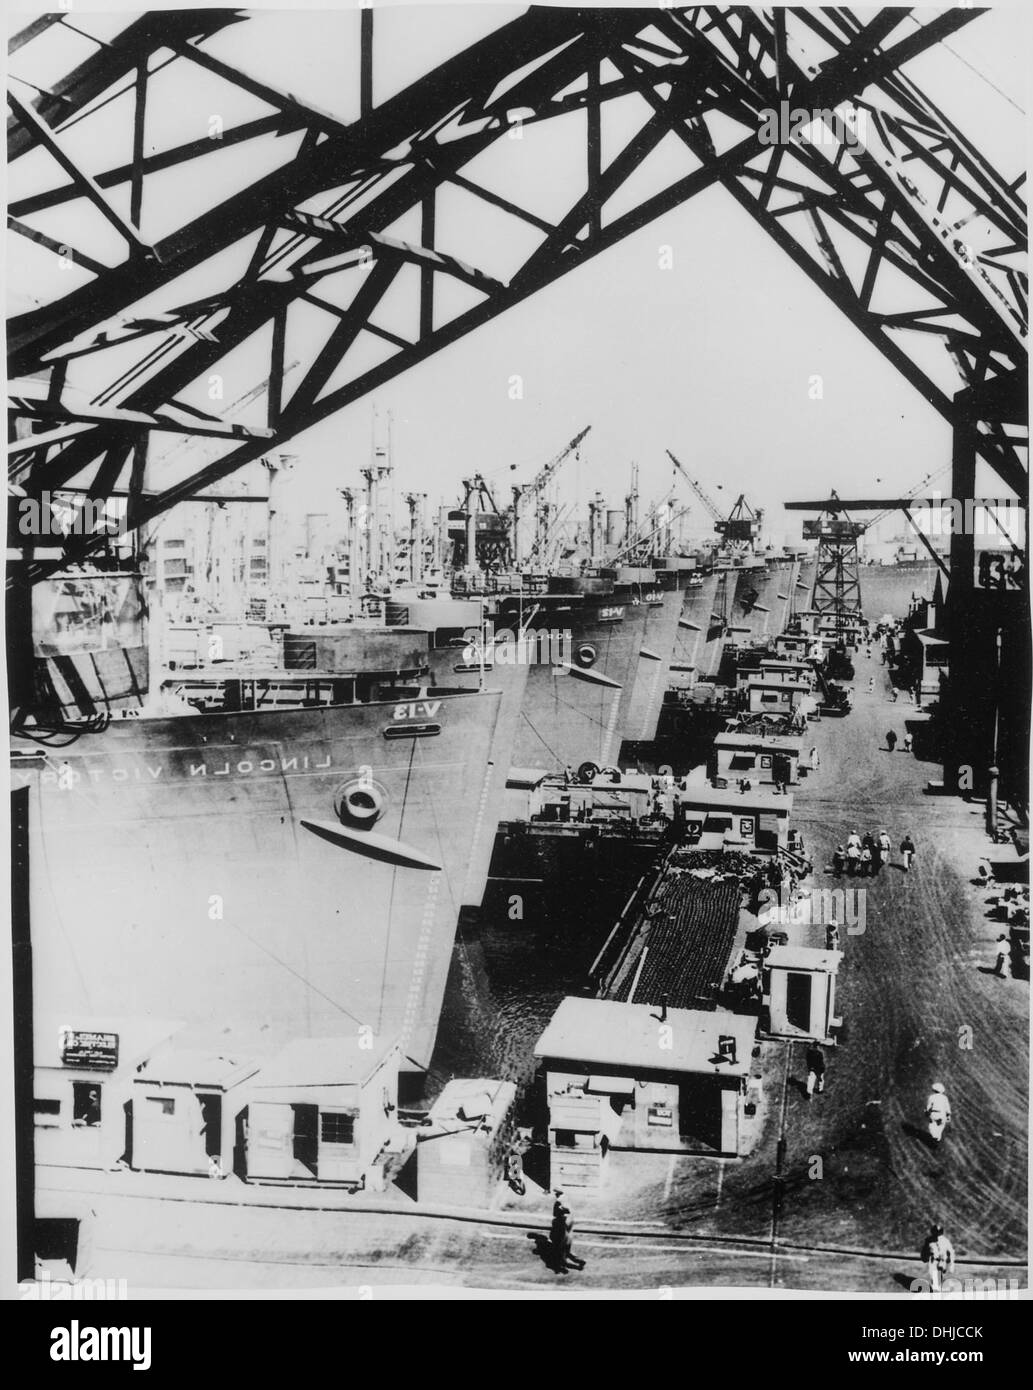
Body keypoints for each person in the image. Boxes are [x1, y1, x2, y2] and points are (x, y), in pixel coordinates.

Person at [921, 1222, 955, 1293]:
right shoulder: (929, 1240)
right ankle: (936, 1290)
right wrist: (924, 1257)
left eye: (938, 1232)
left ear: (941, 1232)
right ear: (932, 1232)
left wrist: (951, 1265)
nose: (937, 1234)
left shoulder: (945, 1241)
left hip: (943, 1261)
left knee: (941, 1276)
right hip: (933, 1261)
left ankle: (939, 1289)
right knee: (935, 1276)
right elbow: (924, 1250)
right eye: (935, 1232)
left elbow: (951, 1252)